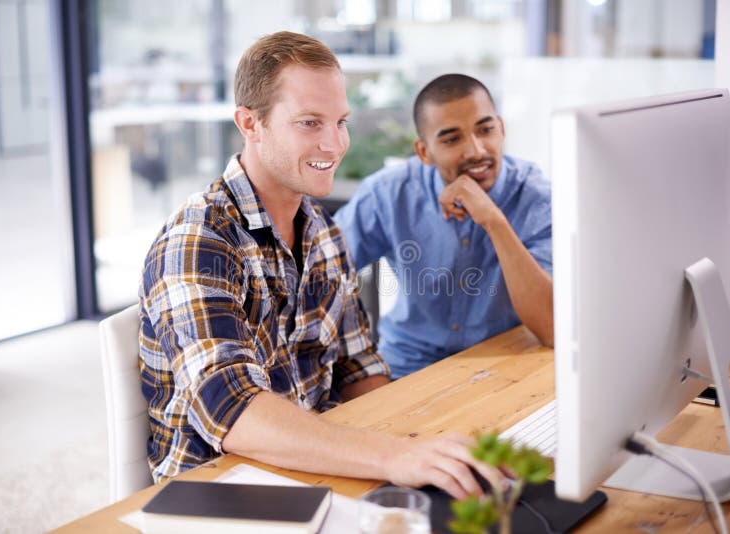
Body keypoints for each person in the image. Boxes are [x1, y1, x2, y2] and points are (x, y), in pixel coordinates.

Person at [138, 33, 503, 499]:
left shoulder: (323, 230)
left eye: (341, 122)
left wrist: (417, 442)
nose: (334, 144)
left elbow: (356, 368)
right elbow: (233, 412)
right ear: (250, 124)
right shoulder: (197, 242)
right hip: (221, 492)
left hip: (320, 469)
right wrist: (392, 457)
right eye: (310, 123)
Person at [334, 74, 553, 379]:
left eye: (485, 130)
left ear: (501, 129)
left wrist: (494, 221)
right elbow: (320, 277)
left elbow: (552, 327)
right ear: (424, 151)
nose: (476, 150)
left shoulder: (537, 198)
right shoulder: (387, 194)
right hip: (404, 367)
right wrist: (357, 367)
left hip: (502, 367)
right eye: (452, 139)